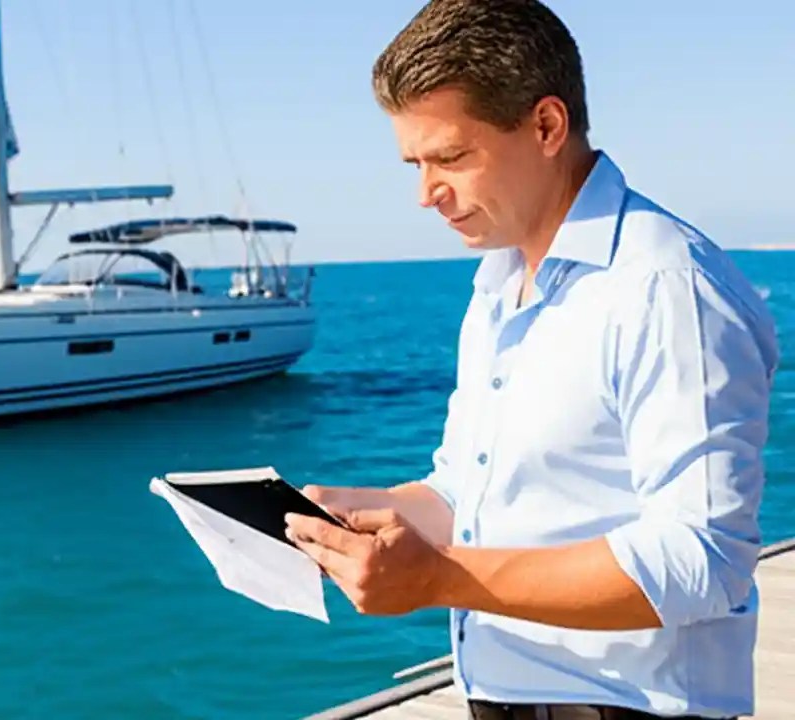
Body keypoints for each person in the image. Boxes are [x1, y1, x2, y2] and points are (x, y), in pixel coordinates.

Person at [282, 1, 779, 719]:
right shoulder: (497, 283)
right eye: (415, 164)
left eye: (451, 157)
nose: (426, 195)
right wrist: (343, 516)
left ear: (547, 126)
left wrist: (437, 580)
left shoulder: (667, 286)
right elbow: (466, 496)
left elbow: (703, 560)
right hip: (503, 697)